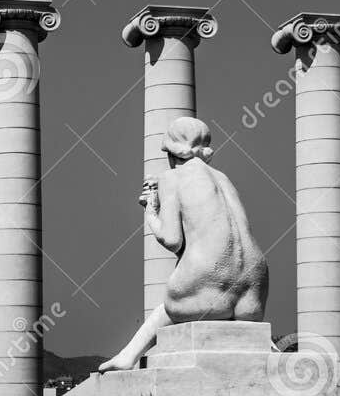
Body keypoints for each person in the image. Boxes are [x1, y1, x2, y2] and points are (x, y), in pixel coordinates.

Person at [98, 118, 269, 372]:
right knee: (210, 300)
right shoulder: (224, 178)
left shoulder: (171, 178)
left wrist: (151, 211)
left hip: (208, 279)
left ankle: (128, 356)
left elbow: (172, 240)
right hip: (254, 292)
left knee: (168, 308)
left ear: (171, 152)